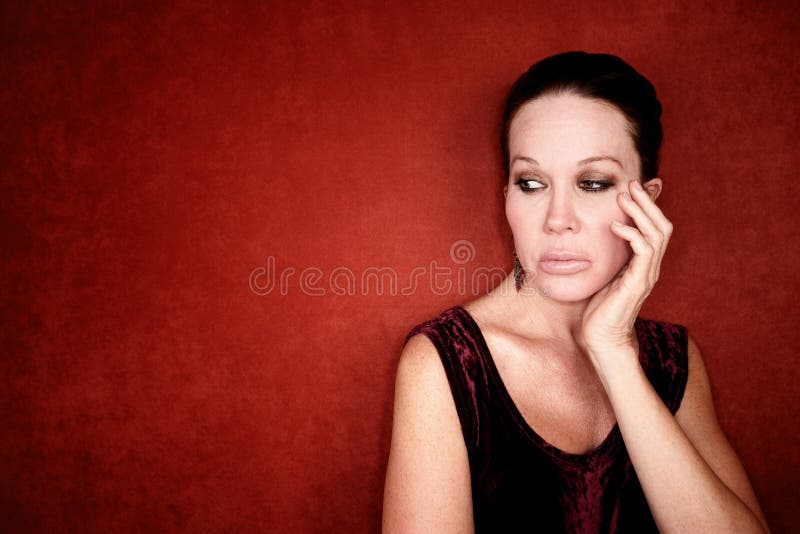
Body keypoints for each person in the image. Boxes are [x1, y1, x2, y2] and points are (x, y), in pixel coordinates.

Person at [382, 51, 770, 533]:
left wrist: (612, 351)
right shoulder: (445, 362)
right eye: (531, 183)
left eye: (592, 182)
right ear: (506, 195)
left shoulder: (673, 360)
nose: (557, 219)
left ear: (646, 203)